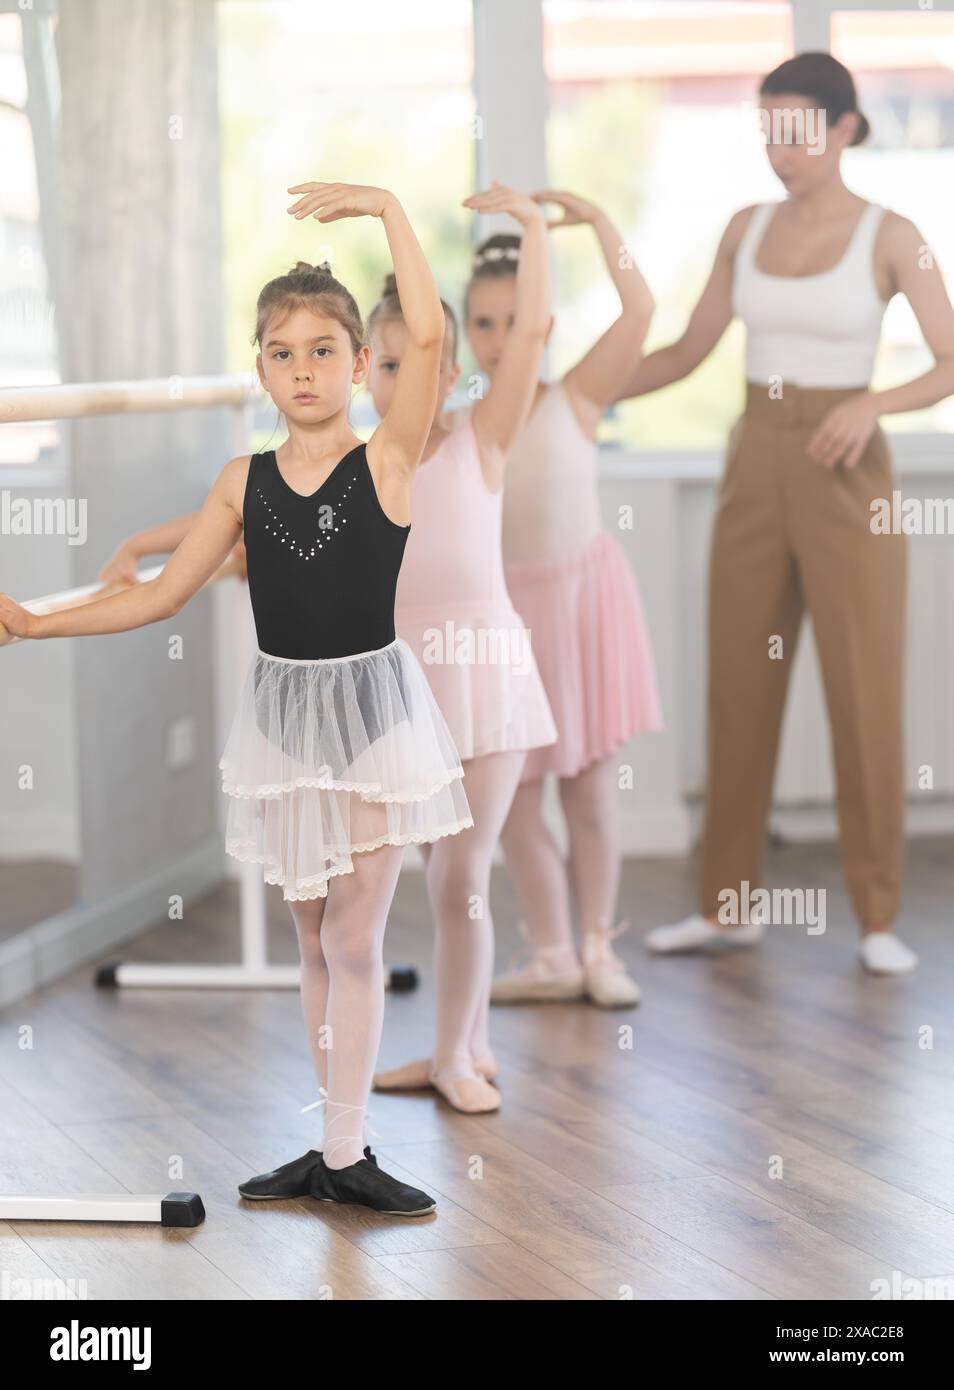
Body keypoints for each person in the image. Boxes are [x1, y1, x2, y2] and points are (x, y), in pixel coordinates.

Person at [0, 181, 471, 1215]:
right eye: (280, 351)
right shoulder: (240, 480)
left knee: (354, 937)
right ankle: (329, 1144)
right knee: (310, 938)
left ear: (357, 363)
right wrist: (35, 623)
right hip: (284, 719)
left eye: (321, 349)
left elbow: (430, 337)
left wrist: (390, 206)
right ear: (258, 367)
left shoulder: (387, 458)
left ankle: (349, 1150)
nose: (302, 369)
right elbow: (163, 597)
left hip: (376, 717)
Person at [617, 54, 954, 973]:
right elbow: (686, 351)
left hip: (846, 465)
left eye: (798, 129)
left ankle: (878, 917)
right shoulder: (744, 226)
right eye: (767, 128)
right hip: (754, 456)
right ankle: (728, 907)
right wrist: (568, 389)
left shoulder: (895, 235)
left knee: (863, 689)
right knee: (738, 683)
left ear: (845, 129)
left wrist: (873, 403)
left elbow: (950, 358)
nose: (779, 147)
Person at [367, 183, 556, 1113]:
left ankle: (449, 1055)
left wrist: (535, 230)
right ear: (364, 368)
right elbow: (246, 517)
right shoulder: (358, 467)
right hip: (408, 689)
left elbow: (528, 336)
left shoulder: (482, 438)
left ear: (450, 373)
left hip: (483, 682)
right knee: (431, 878)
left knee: (460, 875)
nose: (404, 381)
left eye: (423, 363)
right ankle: (465, 1044)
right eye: (386, 363)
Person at [455, 193, 662, 1012]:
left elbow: (640, 308)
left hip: (583, 607)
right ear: (467, 333)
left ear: (541, 322)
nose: (501, 339)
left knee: (590, 792)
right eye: (483, 324)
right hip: (509, 621)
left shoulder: (578, 394)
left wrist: (598, 221)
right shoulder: (462, 422)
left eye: (516, 320)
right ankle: (551, 955)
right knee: (513, 804)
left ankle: (602, 949)